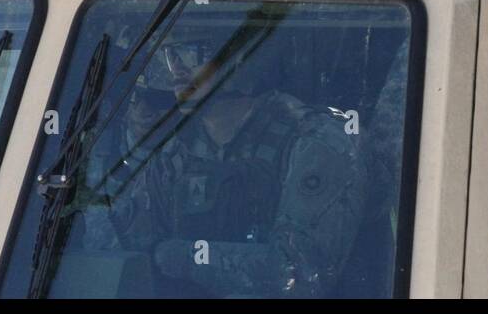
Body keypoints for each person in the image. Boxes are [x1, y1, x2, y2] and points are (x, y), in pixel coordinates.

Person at [81, 32, 368, 298]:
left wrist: (180, 257)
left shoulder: (314, 141)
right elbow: (126, 242)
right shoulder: (175, 145)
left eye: (191, 52)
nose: (177, 71)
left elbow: (299, 272)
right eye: (170, 56)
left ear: (239, 61)